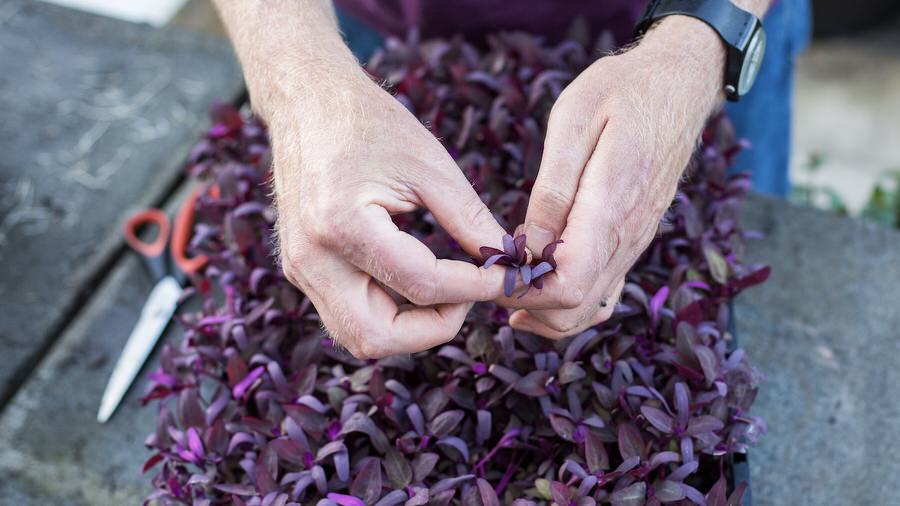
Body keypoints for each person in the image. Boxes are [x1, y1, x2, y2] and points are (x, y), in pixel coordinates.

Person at [211, 0, 809, 359]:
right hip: (362, 27)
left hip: (690, 27)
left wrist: (700, 42)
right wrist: (298, 79)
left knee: (738, 295)